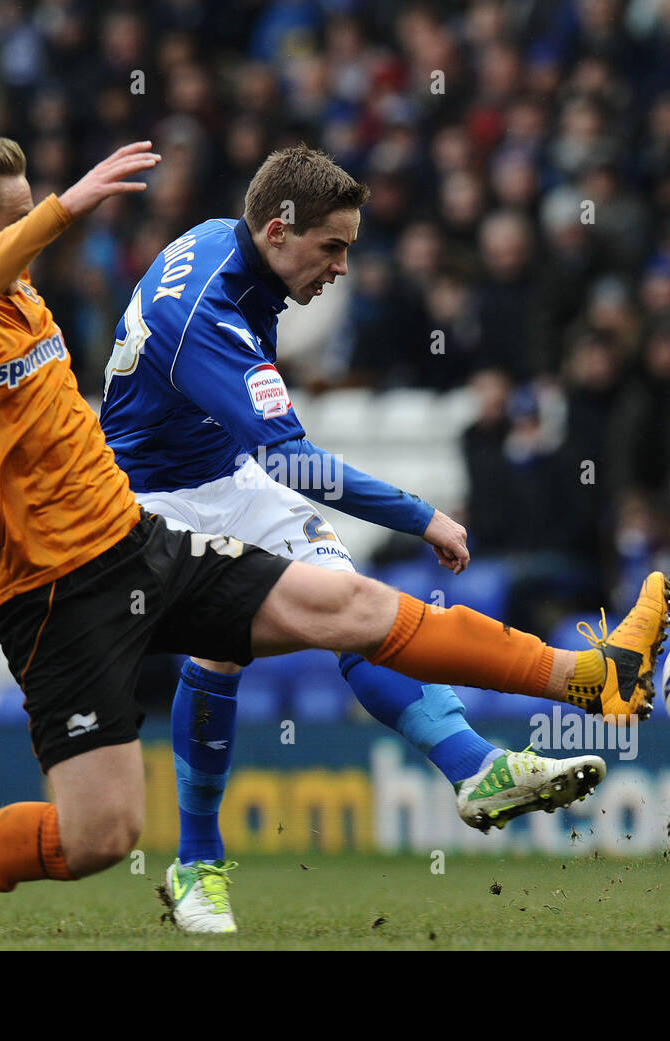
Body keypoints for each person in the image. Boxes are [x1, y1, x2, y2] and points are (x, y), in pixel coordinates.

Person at [0, 138, 670, 936]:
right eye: (16, 219)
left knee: (352, 604)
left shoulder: (29, 290)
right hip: (55, 590)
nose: (33, 233)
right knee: (99, 835)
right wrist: (62, 212)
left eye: (32, 213)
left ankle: (590, 679)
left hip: (137, 533)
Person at [99, 147, 604, 933]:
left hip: (220, 474)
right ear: (277, 230)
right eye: (332, 246)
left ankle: (476, 767)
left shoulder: (225, 249)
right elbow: (293, 459)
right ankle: (196, 862)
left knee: (352, 600)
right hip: (153, 504)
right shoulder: (209, 313)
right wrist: (421, 514)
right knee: (222, 652)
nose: (341, 266)